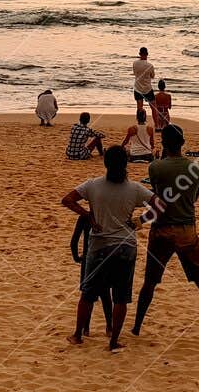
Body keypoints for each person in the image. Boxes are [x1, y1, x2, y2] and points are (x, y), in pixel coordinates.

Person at [61, 146, 151, 349]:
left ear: (105, 163)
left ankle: (77, 335)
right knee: (120, 296)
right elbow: (161, 205)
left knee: (88, 293)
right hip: (125, 246)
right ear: (126, 164)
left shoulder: (93, 185)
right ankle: (113, 340)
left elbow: (67, 200)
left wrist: (87, 216)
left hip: (99, 245)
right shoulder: (135, 189)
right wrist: (139, 221)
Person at [137, 124, 199, 336]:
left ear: (163, 143)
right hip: (186, 228)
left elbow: (156, 196)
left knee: (150, 282)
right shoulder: (196, 169)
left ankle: (137, 326)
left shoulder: (155, 167)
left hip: (161, 228)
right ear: (182, 143)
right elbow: (194, 198)